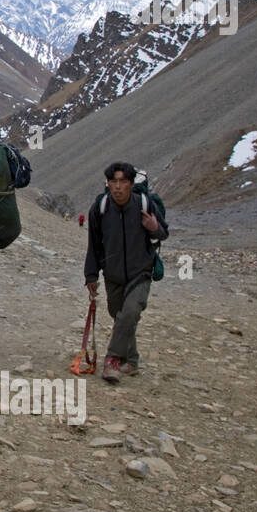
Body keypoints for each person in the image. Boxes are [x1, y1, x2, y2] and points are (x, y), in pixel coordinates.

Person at [83, 162, 168, 382]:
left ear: (130, 184)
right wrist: (90, 276)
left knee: (129, 314)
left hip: (141, 272)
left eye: (123, 182)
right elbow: (94, 244)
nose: (118, 187)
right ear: (108, 184)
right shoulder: (100, 208)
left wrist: (154, 227)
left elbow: (164, 233)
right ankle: (132, 361)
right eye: (114, 182)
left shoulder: (144, 204)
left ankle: (112, 360)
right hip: (112, 275)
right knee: (119, 315)